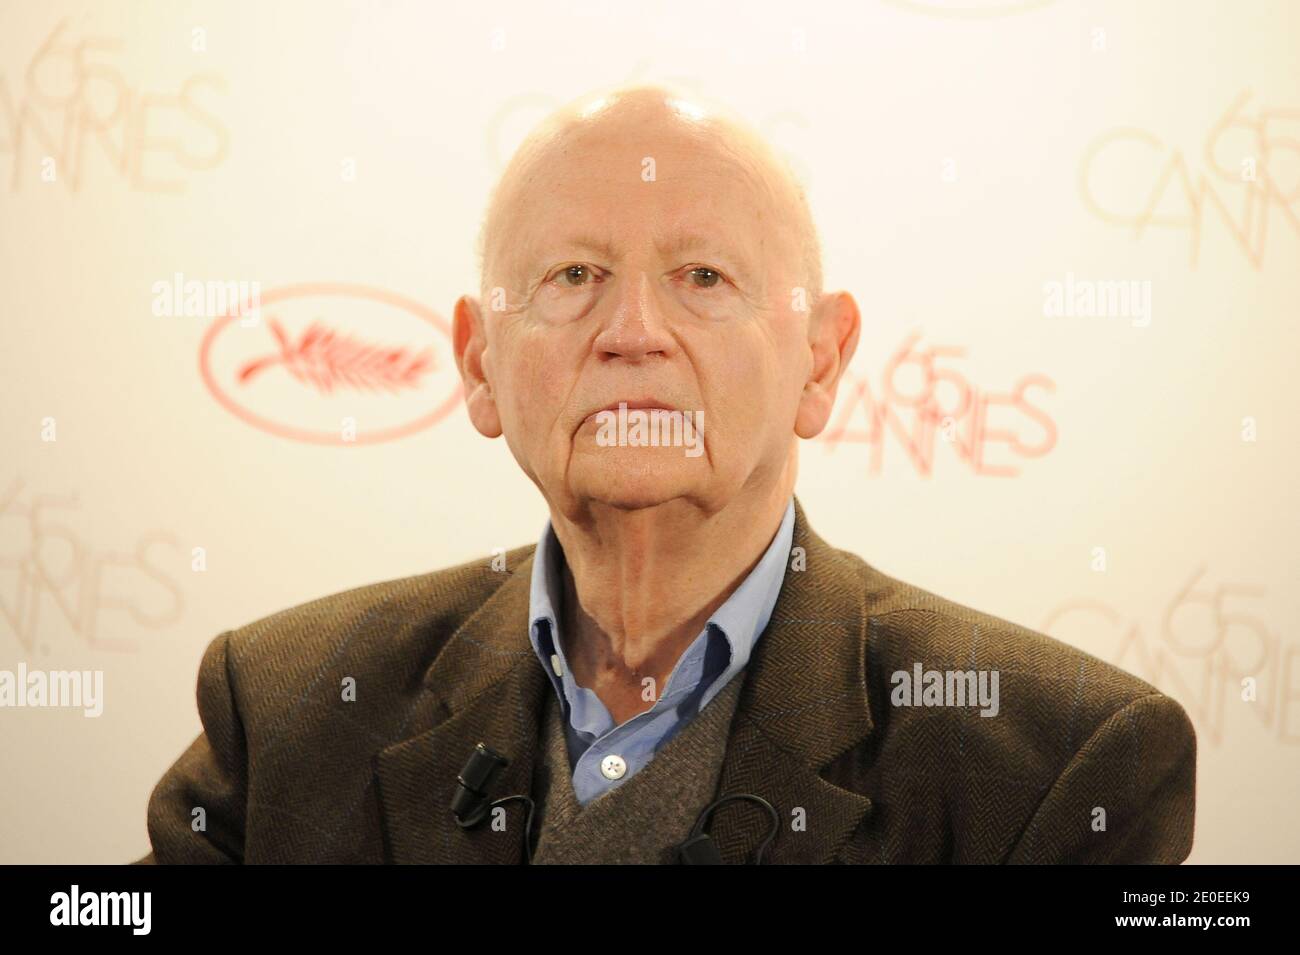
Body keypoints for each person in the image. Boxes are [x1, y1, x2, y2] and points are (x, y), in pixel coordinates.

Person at [135, 84, 1195, 864]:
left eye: (702, 277)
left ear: (819, 362)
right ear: (478, 364)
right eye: (573, 277)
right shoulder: (286, 711)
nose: (632, 331)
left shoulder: (1056, 764)